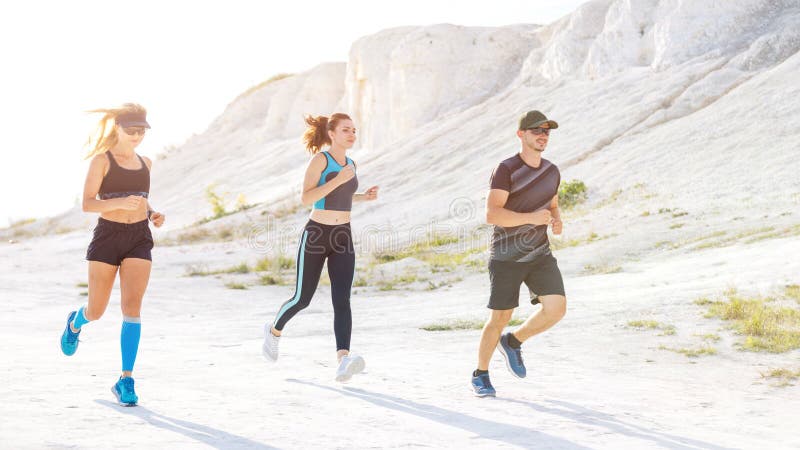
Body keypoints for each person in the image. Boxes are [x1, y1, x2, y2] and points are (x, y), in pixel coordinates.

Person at [59, 103, 165, 406]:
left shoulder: (146, 162)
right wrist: (120, 205)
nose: (136, 136)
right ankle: (75, 323)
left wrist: (153, 213)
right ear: (117, 128)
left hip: (139, 239)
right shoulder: (101, 161)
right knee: (97, 310)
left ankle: (125, 379)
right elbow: (88, 204)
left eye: (141, 131)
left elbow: (142, 201)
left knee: (132, 307)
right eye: (131, 130)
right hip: (107, 237)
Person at [262, 113, 379, 382]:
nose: (352, 134)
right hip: (316, 235)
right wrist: (339, 179)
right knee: (302, 298)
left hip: (343, 236)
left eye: (354, 130)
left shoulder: (351, 163)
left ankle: (343, 360)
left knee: (342, 299)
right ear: (332, 134)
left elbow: (342, 197)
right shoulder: (320, 160)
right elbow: (308, 198)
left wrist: (363, 197)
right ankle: (274, 330)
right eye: (346, 130)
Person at [471, 110, 567, 397]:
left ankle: (513, 342)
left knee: (556, 308)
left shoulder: (552, 170)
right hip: (506, 256)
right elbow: (492, 214)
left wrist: (556, 218)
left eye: (547, 131)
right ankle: (481, 374)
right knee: (500, 316)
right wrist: (530, 218)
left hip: (540, 254)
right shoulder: (506, 169)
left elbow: (551, 204)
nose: (543, 135)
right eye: (536, 130)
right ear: (521, 134)